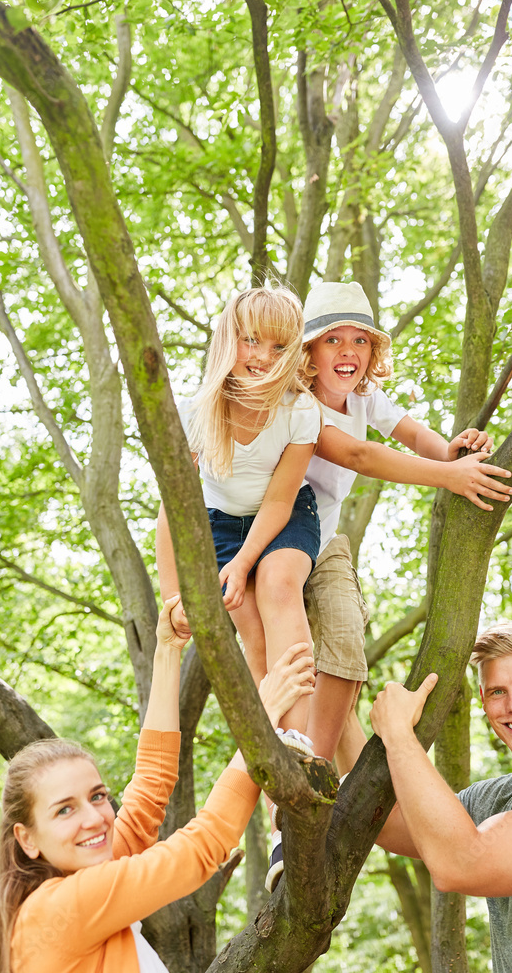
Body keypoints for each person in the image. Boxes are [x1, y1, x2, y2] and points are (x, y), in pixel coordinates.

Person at [0, 594, 316, 973]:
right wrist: (260, 722)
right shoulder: (58, 908)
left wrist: (168, 648)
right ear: (27, 839)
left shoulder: (79, 875)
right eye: (64, 810)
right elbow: (204, 845)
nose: (94, 818)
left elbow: (149, 789)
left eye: (98, 796)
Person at [298, 281, 512, 766]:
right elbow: (358, 454)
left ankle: (315, 770)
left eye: (360, 340)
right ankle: (299, 768)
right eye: (332, 339)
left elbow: (412, 434)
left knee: (346, 647)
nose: (348, 351)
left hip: (324, 543)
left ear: (372, 352)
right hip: (278, 539)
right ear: (308, 351)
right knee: (294, 663)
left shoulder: (364, 396)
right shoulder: (297, 403)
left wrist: (453, 453)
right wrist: (450, 477)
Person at [369, 622, 512, 973]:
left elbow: (458, 865)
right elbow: (380, 820)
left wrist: (398, 734)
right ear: (484, 701)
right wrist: (343, 696)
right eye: (498, 692)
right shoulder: (493, 798)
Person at [156, 286, 321, 749]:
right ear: (228, 339)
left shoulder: (299, 410)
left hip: (286, 516)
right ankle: (267, 738)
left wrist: (245, 562)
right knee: (252, 631)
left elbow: (279, 501)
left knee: (277, 585)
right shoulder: (194, 414)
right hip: (220, 525)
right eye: (251, 340)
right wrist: (173, 599)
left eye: (279, 347)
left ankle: (297, 738)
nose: (263, 356)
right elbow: (172, 510)